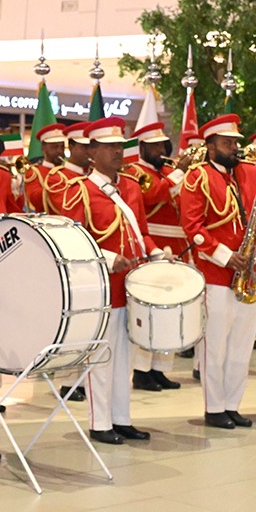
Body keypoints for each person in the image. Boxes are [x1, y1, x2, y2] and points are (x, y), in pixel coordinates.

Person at [56, 118, 163, 444]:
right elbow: (72, 241)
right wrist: (107, 257)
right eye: (110, 147)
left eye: (120, 146)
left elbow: (141, 231)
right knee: (101, 356)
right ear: (92, 152)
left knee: (125, 357)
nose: (118, 152)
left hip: (132, 283)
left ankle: (121, 417)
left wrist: (157, 253)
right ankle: (100, 422)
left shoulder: (130, 186)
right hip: (101, 285)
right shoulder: (80, 191)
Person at [177, 114, 256, 429]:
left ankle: (233, 404)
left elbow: (253, 215)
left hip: (247, 271)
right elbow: (193, 227)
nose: (233, 148)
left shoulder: (246, 175)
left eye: (235, 142)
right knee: (216, 344)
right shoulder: (198, 177)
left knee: (241, 343)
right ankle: (214, 407)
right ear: (210, 146)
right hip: (216, 273)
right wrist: (226, 257)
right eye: (227, 143)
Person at [124, 115, 186, 391]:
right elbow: (152, 197)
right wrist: (179, 173)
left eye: (164, 146)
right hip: (155, 241)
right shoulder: (137, 172)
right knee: (150, 309)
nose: (162, 151)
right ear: (143, 148)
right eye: (156, 147)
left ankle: (160, 368)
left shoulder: (163, 171)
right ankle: (141, 370)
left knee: (170, 311)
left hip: (175, 243)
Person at [23, 122, 68, 212]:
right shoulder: (34, 173)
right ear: (44, 148)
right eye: (54, 147)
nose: (59, 151)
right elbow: (35, 199)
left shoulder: (67, 171)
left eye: (62, 147)